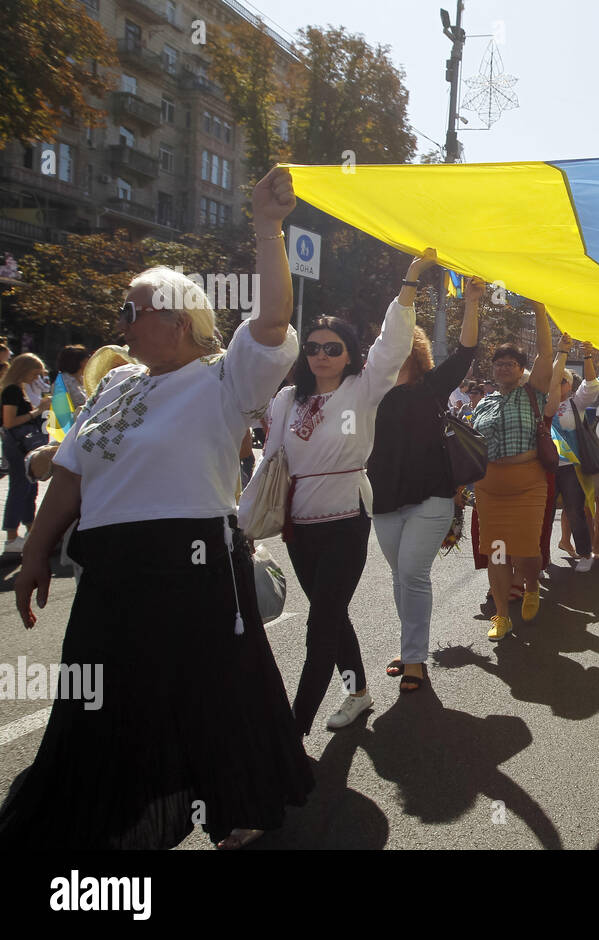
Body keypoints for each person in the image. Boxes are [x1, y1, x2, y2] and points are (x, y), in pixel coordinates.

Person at [2, 167, 311, 850]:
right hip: (110, 576)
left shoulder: (225, 377)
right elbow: (72, 477)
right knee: (99, 704)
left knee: (209, 702)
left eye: (129, 311)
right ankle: (102, 826)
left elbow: (274, 319)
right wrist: (32, 555)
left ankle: (230, 812)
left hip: (194, 569)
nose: (119, 323)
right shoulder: (114, 386)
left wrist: (266, 226)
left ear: (175, 322)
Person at [254, 253, 425, 735]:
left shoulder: (364, 389)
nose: (321, 355)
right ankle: (359, 693)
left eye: (332, 348)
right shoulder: (288, 400)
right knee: (331, 615)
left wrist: (410, 281)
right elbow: (268, 465)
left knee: (320, 626)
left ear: (349, 353)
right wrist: (243, 521)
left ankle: (293, 731)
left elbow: (393, 343)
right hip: (298, 529)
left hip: (348, 522)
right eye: (313, 347)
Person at [369, 280, 480, 693]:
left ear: (413, 350)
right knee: (400, 577)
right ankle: (410, 646)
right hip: (383, 499)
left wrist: (471, 303)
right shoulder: (369, 392)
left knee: (413, 573)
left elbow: (466, 352)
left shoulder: (431, 385)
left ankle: (415, 658)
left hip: (432, 495)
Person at [469, 305, 554, 639]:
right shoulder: (483, 403)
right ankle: (501, 616)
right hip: (489, 490)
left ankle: (532, 585)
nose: (503, 368)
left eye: (511, 363)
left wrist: (539, 310)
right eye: (499, 363)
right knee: (498, 550)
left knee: (527, 550)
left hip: (527, 486)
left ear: (521, 369)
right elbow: (471, 445)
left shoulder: (532, 393)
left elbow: (546, 353)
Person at [548, 338, 599, 571]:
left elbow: (591, 384)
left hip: (570, 468)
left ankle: (585, 554)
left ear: (569, 386)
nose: (557, 384)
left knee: (575, 510)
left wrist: (588, 356)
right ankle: (539, 558)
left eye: (562, 381)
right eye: (555, 380)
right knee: (543, 513)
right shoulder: (540, 401)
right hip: (545, 465)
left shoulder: (575, 404)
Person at [2, 354, 52, 553]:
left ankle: (29, 530)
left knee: (29, 488)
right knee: (20, 488)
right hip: (17, 445)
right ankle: (12, 536)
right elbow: (9, 422)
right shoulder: (13, 390)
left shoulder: (18, 388)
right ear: (22, 370)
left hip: (21, 445)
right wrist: (37, 411)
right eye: (34, 373)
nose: (35, 378)